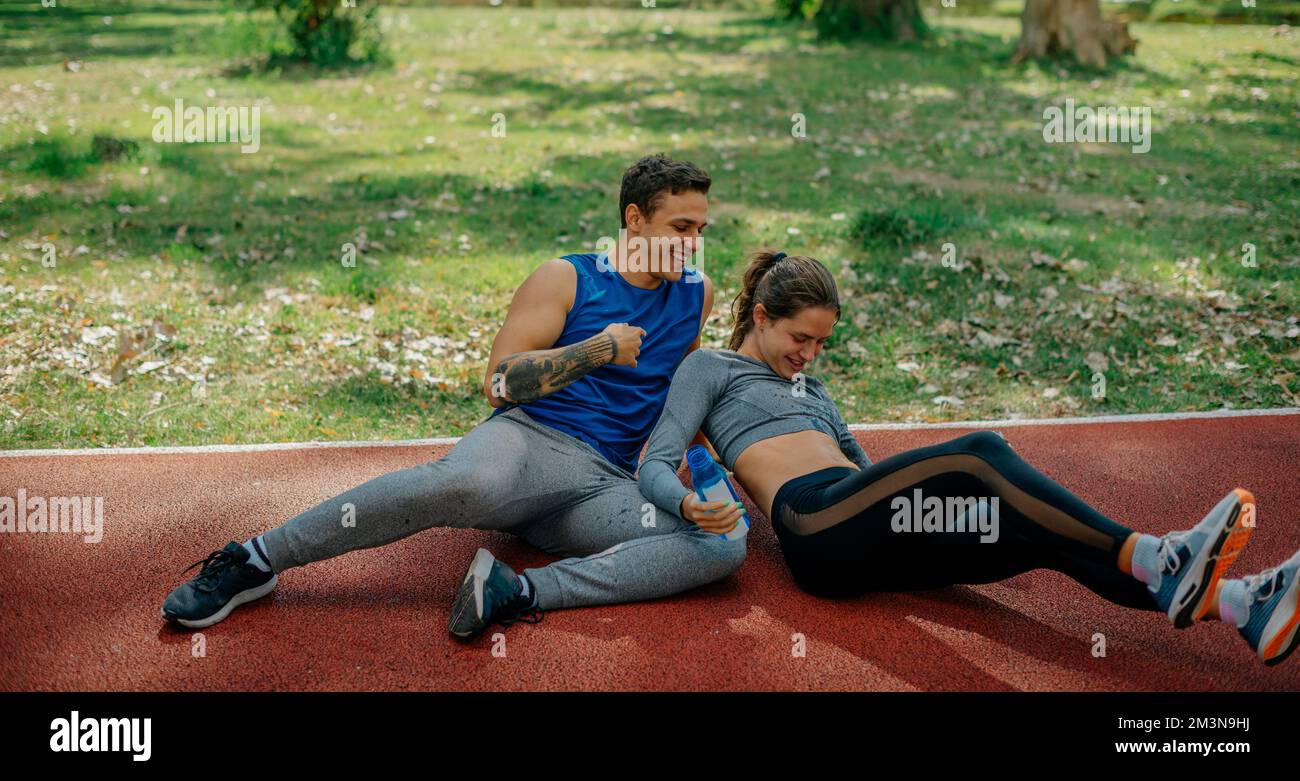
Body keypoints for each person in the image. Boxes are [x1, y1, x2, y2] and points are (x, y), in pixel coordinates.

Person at [161, 154, 746, 636]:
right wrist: (595, 351)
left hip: (599, 489)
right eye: (680, 228)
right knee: (466, 481)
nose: (693, 244)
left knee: (724, 544)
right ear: (636, 219)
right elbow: (498, 385)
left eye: (701, 231)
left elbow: (680, 391)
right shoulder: (567, 279)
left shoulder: (696, 293)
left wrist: (700, 473)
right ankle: (257, 560)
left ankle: (515, 590)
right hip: (527, 444)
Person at [635, 249, 1300, 666]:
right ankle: (1154, 553)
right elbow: (655, 462)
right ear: (758, 314)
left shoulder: (816, 388)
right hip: (813, 526)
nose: (809, 354)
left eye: (822, 344)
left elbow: (872, 475)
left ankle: (1241, 605)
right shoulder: (710, 367)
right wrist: (690, 501)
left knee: (1041, 534)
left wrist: (948, 515)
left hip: (868, 527)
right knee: (983, 452)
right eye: (798, 337)